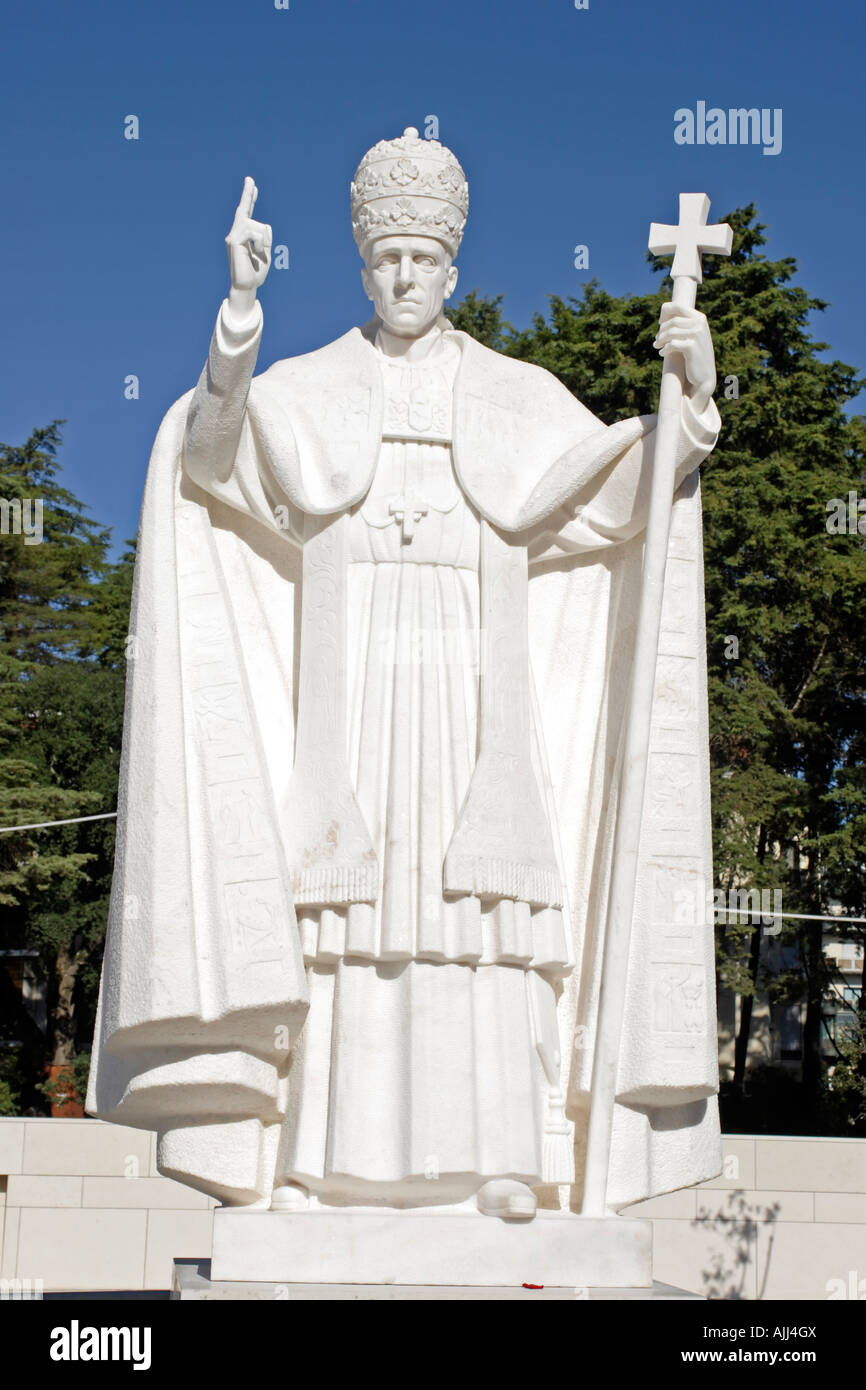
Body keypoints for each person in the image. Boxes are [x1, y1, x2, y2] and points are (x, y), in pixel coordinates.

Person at [88, 129, 723, 1219]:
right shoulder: (306, 388)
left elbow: (623, 502)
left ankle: (499, 1166)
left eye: (422, 260)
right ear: (359, 263)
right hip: (353, 698)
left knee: (472, 917)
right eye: (384, 259)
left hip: (477, 708)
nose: (402, 279)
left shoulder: (518, 397)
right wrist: (237, 319)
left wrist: (692, 401)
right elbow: (209, 457)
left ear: (453, 269)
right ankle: (312, 1165)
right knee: (344, 918)